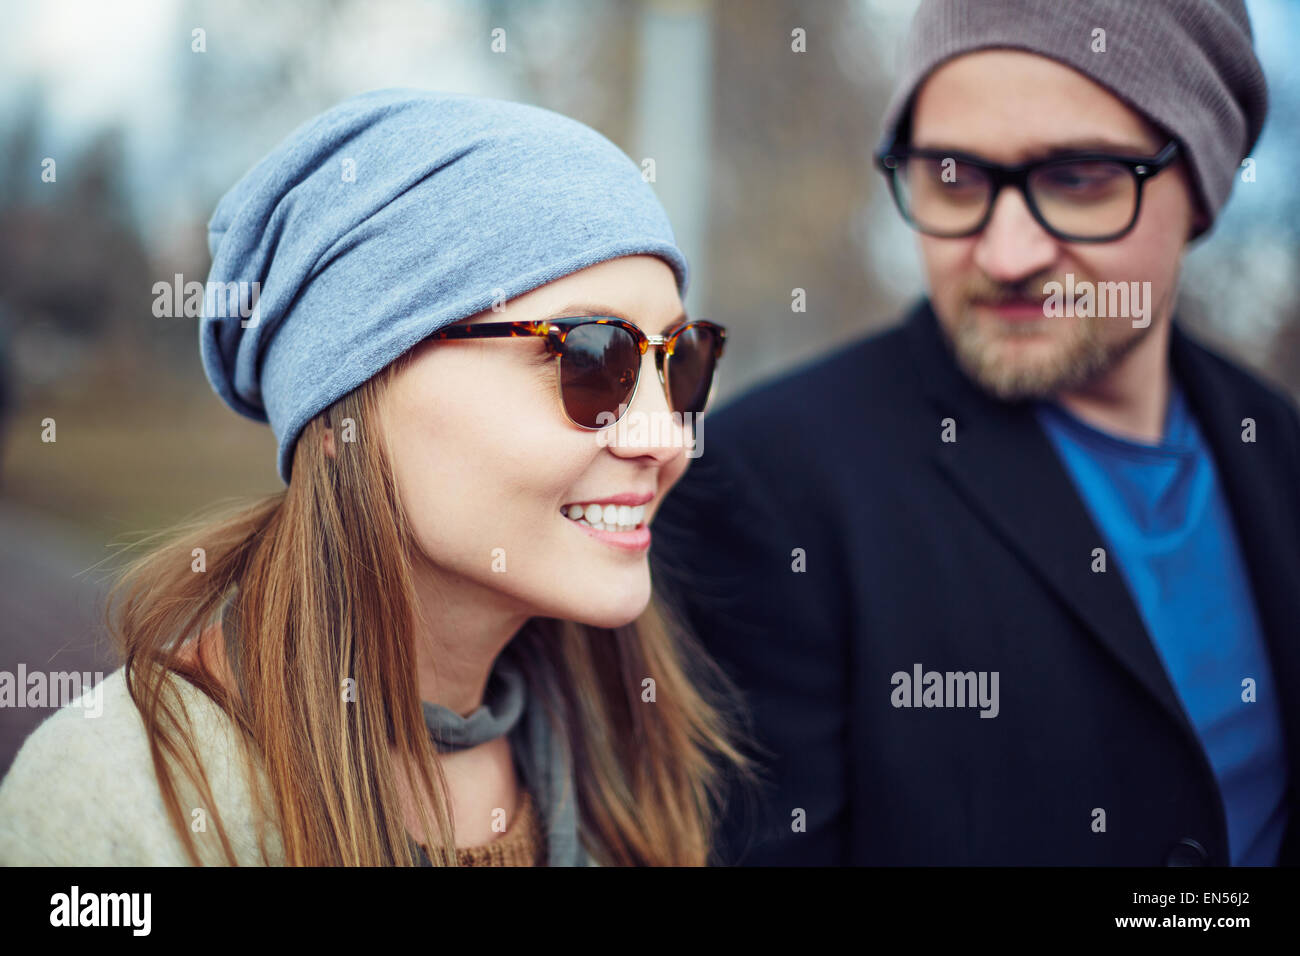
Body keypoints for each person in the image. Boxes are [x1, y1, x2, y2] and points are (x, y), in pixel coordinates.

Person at [0, 88, 752, 866]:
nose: (669, 439)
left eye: (681, 362)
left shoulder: (630, 752)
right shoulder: (119, 814)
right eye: (593, 358)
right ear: (346, 406)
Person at [652, 0, 1300, 865]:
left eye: (1078, 177)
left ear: (1204, 184)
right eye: (954, 176)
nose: (1007, 253)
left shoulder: (1279, 449)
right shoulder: (768, 486)